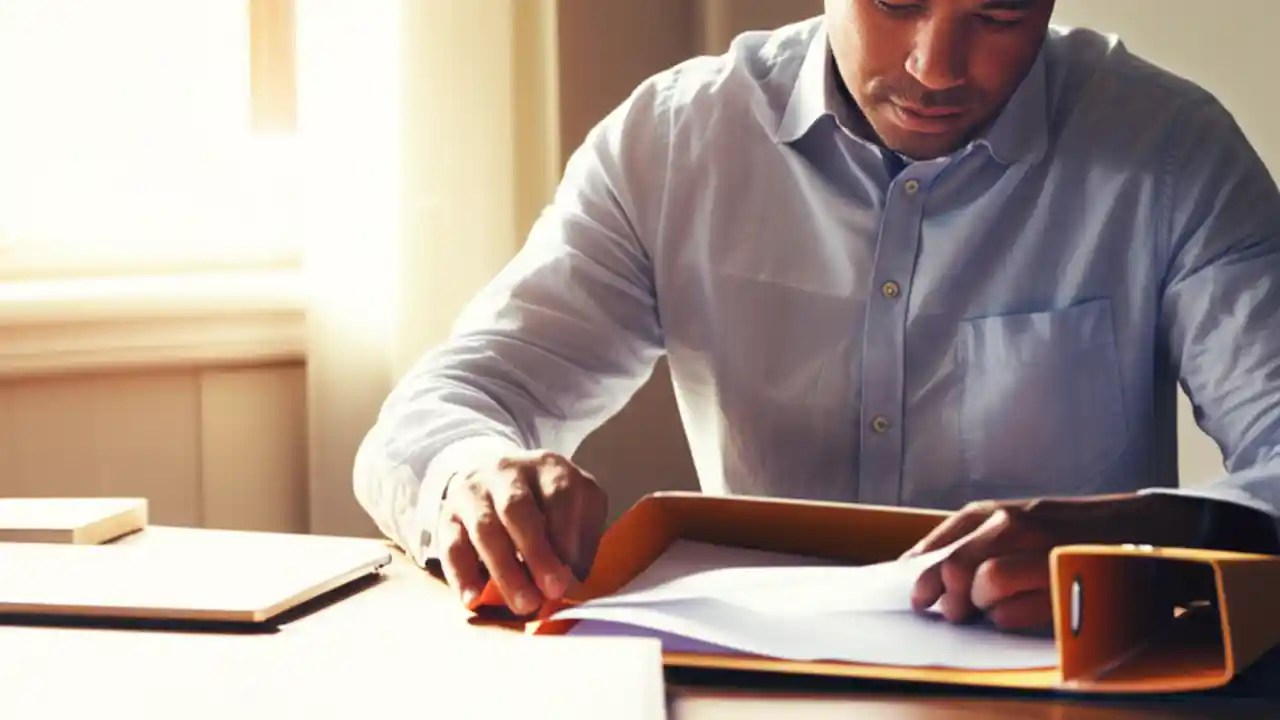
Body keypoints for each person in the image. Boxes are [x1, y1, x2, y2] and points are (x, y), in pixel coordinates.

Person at [354, 0, 1280, 632]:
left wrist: (1139, 543)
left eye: (998, 12)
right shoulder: (675, 143)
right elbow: (446, 405)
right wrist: (471, 477)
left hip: (1069, 695)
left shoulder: (1172, 157)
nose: (936, 66)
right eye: (897, 0)